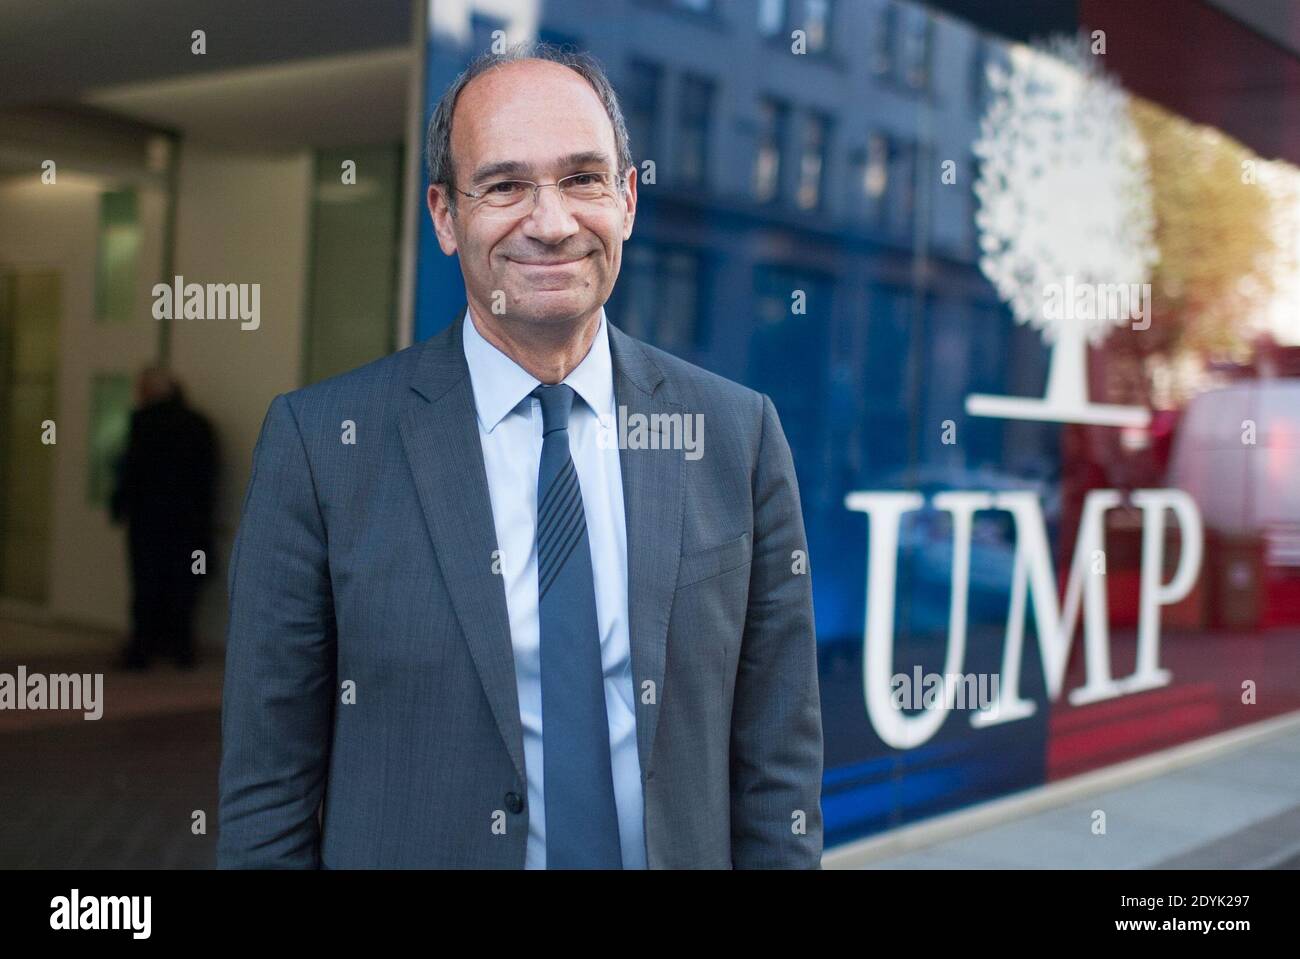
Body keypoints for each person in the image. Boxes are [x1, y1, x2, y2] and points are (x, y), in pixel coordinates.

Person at [217, 42, 823, 869]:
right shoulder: (322, 447)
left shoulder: (736, 435)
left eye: (583, 178)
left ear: (628, 198)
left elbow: (778, 766)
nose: (551, 221)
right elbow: (266, 794)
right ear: (443, 215)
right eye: (504, 185)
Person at [110, 365, 218, 670]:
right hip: (189, 522)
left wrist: (121, 505)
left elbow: (132, 470)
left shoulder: (144, 423)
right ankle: (180, 649)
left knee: (147, 584)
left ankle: (142, 650)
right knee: (183, 585)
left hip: (150, 520)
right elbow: (207, 477)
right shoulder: (199, 425)